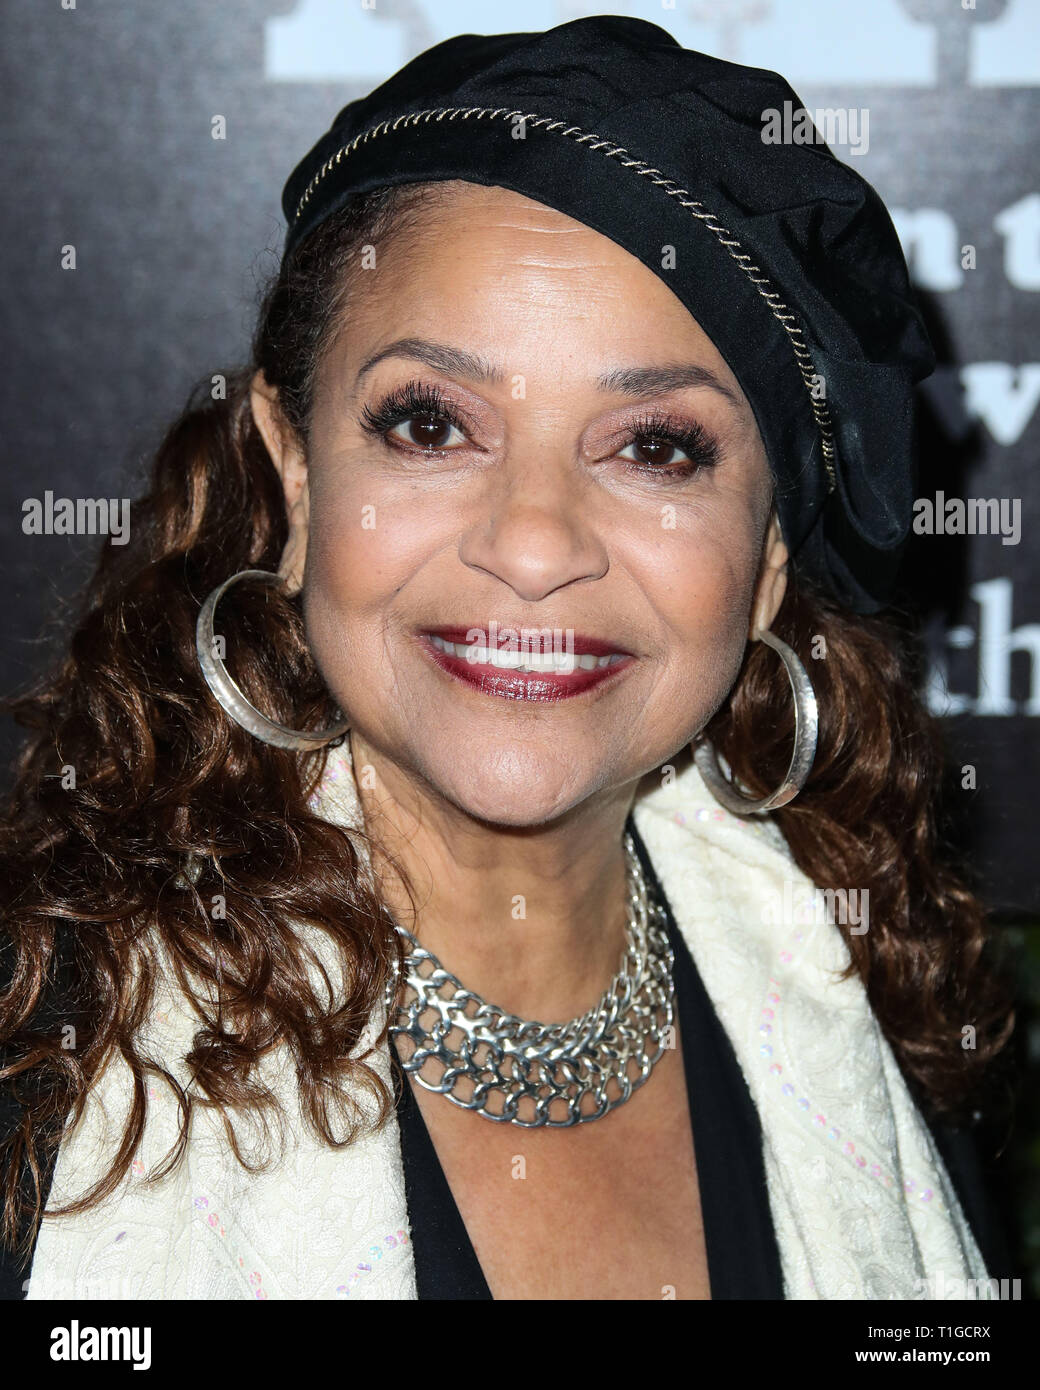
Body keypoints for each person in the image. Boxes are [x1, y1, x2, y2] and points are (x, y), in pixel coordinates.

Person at [0, 15, 1017, 1301]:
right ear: (296, 474)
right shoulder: (42, 1058)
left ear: (764, 564)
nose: (533, 546)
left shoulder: (884, 1026)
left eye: (654, 446)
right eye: (431, 423)